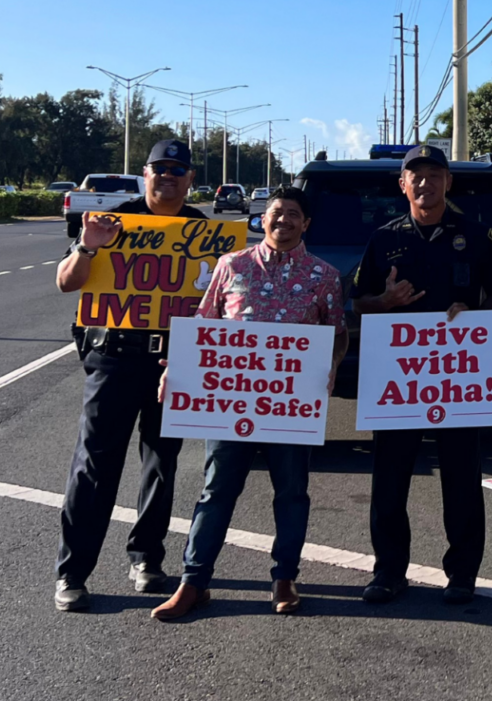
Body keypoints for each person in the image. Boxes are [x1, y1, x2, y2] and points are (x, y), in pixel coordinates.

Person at [149, 187, 348, 621]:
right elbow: (205, 325)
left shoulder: (324, 276)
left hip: (289, 406)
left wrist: (330, 367)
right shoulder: (231, 266)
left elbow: (337, 333)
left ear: (306, 224)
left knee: (292, 493)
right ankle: (194, 582)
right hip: (230, 403)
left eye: (294, 215)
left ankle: (285, 579)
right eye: (277, 213)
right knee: (216, 490)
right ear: (263, 218)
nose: (284, 221)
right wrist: (175, 369)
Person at [51, 138, 206, 612]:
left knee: (163, 463)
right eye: (160, 168)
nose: (169, 176)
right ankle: (73, 572)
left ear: (189, 180)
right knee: (95, 465)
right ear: (145, 173)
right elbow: (66, 281)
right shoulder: (113, 222)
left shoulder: (204, 229)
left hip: (175, 360)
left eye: (178, 170)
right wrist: (86, 245)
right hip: (114, 357)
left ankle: (146, 559)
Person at [352, 143, 492, 605]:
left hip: (458, 379)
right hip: (399, 381)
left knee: (461, 478)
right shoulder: (382, 240)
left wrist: (475, 311)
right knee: (389, 479)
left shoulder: (479, 236)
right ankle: (388, 572)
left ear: (448, 182)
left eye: (434, 174)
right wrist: (384, 302)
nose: (425, 183)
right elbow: (359, 302)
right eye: (415, 176)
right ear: (402, 185)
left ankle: (462, 574)